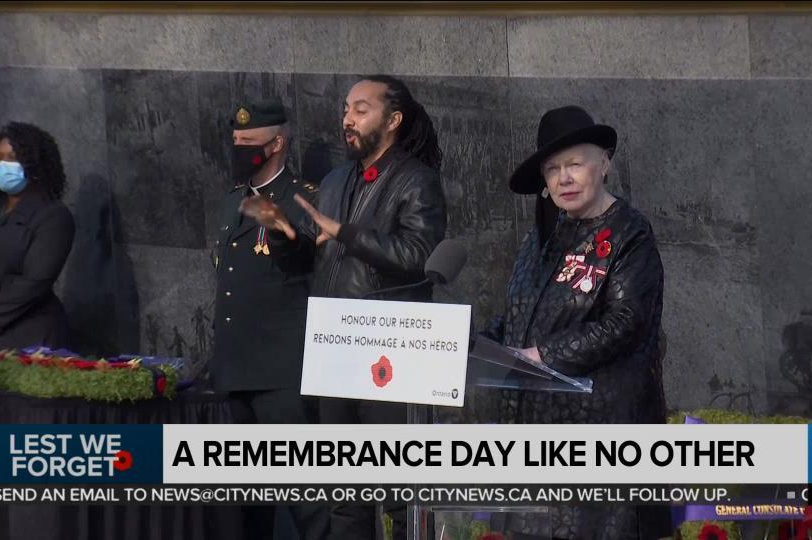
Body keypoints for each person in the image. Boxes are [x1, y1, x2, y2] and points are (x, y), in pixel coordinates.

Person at [255, 74, 446, 539]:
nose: (348, 118)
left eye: (361, 109)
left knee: (403, 495)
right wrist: (285, 239)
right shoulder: (337, 179)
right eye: (345, 109)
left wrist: (346, 233)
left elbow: (416, 256)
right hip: (336, 349)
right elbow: (316, 253)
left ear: (393, 119)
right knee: (344, 494)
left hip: (392, 351)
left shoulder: (418, 181)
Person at [487, 106, 671, 539]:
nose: (563, 178)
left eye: (574, 164)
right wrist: (474, 345)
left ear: (604, 163)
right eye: (552, 169)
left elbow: (626, 321)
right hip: (533, 440)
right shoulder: (539, 239)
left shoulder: (630, 233)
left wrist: (542, 355)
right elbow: (518, 314)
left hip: (600, 439)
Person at [211, 98, 327, 540]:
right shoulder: (232, 202)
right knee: (246, 504)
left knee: (308, 500)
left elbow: (302, 256)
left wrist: (282, 228)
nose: (239, 150)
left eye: (250, 143)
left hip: (281, 373)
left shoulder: (301, 199)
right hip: (235, 370)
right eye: (236, 142)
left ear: (277, 144)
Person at [0, 122, 75, 352]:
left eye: (13, 158)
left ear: (34, 164)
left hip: (27, 338)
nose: (4, 165)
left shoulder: (53, 216)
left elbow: (33, 283)